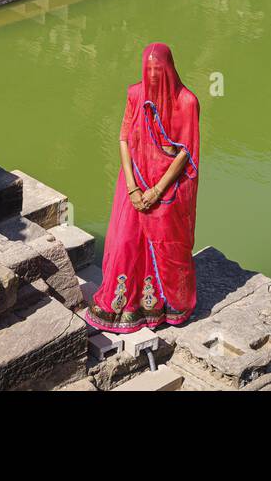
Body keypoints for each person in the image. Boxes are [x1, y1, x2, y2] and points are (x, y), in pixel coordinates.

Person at [85, 43, 200, 333]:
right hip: (133, 181)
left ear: (170, 70)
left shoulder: (187, 102)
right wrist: (133, 187)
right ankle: (124, 305)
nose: (151, 76)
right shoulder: (136, 95)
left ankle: (161, 307)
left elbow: (185, 151)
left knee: (164, 246)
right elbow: (123, 138)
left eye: (157, 70)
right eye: (147, 70)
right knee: (125, 242)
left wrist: (157, 191)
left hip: (166, 189)